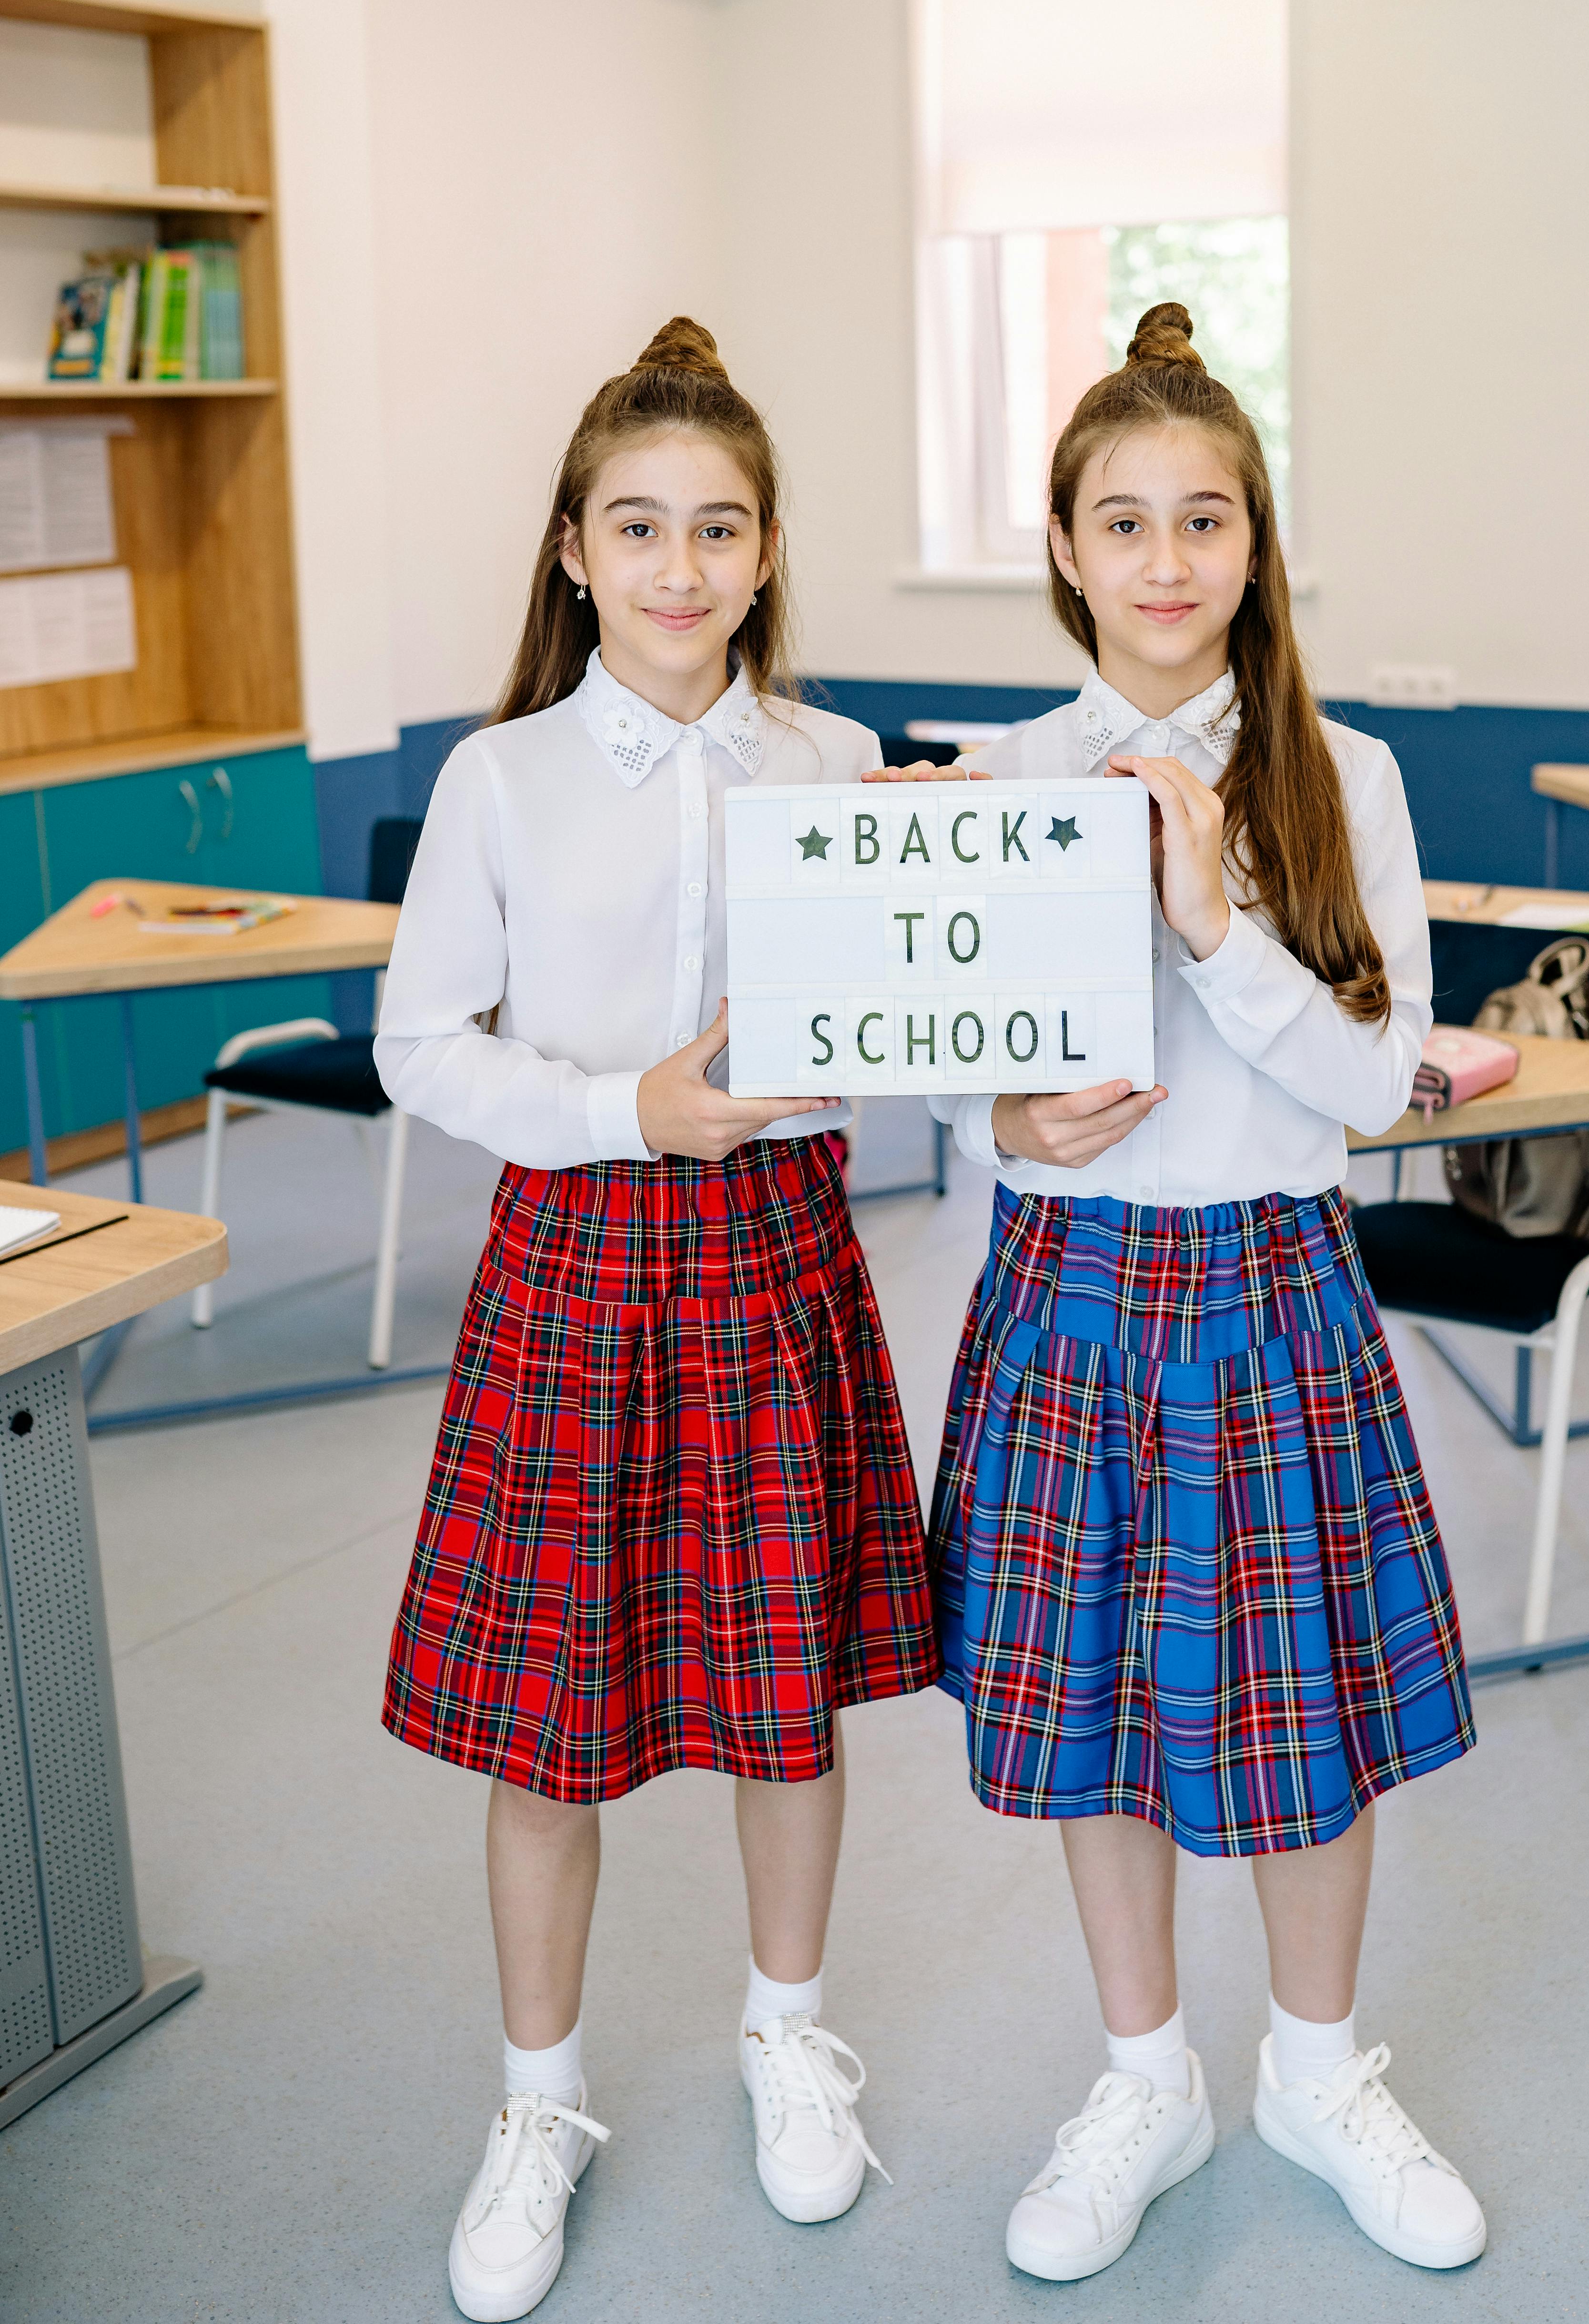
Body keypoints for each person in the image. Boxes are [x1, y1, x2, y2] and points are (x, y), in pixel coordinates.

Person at [912, 302, 1483, 2280]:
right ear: (1062, 549)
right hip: (1067, 1290)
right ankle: (1146, 2071)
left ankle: (1317, 2068)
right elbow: (949, 1086)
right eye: (1122, 520)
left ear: (1256, 544)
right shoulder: (997, 774)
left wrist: (1213, 915)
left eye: (1206, 519)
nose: (1166, 561)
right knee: (1094, 1710)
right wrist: (1010, 1126)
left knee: (1301, 1696)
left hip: (1273, 1285)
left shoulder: (1353, 777)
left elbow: (1362, 1079)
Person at [377, 318, 939, 2322]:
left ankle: (788, 2035)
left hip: (781, 1257)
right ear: (573, 551)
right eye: (640, 528)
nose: (680, 567)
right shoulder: (499, 777)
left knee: (782, 1693)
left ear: (769, 550)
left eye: (718, 529)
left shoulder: (839, 763)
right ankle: (538, 2105)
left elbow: (912, 1021)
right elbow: (418, 1046)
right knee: (556, 1719)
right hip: (579, 1266)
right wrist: (630, 1111)